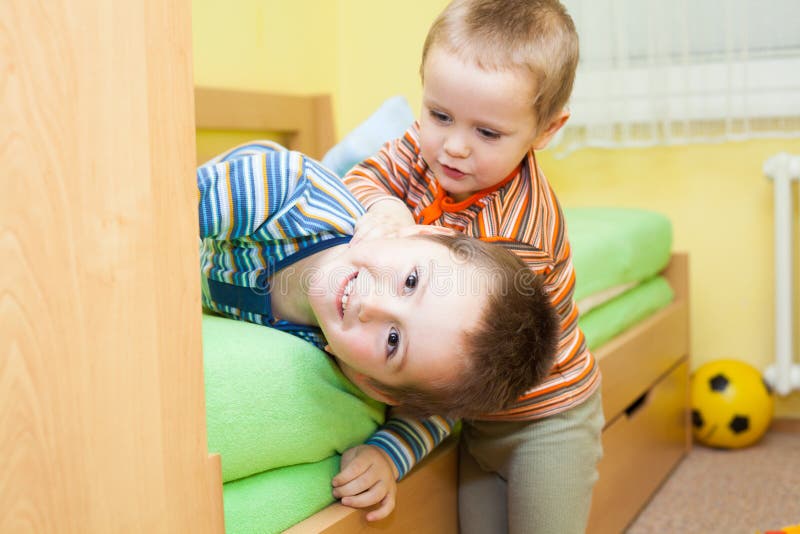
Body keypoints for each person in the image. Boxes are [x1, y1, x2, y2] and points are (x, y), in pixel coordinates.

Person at [336, 0, 604, 532]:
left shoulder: (517, 235)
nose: (453, 147)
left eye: (487, 133)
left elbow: (462, 352)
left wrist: (393, 449)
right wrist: (386, 205)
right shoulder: (422, 145)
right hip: (472, 418)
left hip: (545, 419)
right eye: (439, 115)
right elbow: (360, 178)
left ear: (547, 129)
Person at [198, 140, 559, 421]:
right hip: (226, 186)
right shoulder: (291, 195)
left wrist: (386, 455)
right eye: (411, 282)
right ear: (417, 232)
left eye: (392, 340)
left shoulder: (344, 351)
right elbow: (169, 209)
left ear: (372, 385)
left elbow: (431, 417)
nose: (372, 304)